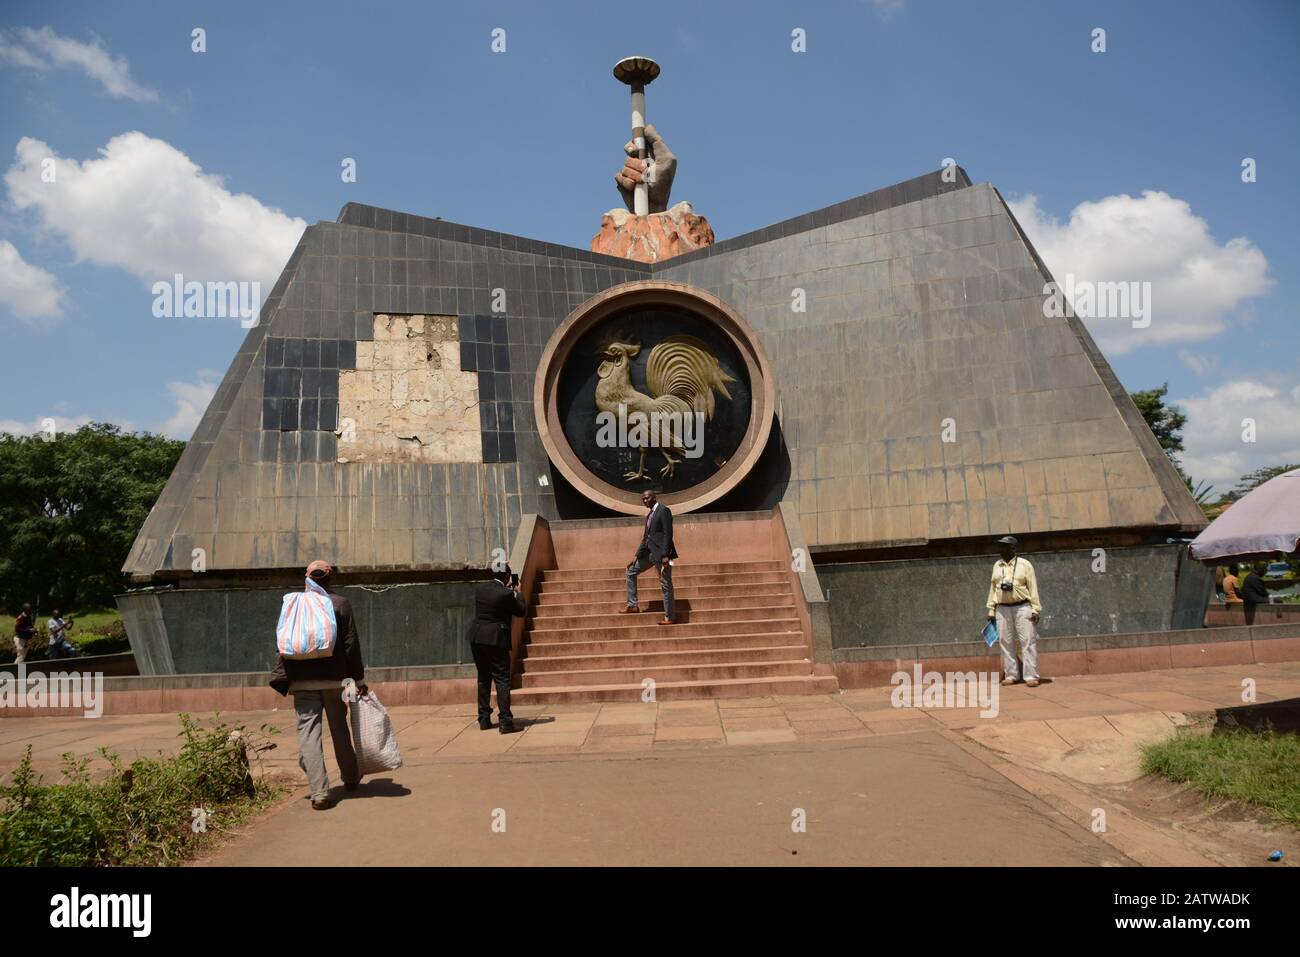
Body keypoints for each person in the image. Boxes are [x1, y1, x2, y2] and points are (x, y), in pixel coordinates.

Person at [269, 560, 365, 811]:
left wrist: (284, 676)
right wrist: (358, 678)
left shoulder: (292, 603)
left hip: (301, 680)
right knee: (339, 730)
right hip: (335, 679)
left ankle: (320, 791)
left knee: (308, 736)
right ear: (330, 578)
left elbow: (282, 639)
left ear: (307, 577)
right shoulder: (340, 604)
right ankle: (351, 778)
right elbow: (350, 645)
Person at [467, 564, 526, 734]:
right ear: (507, 576)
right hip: (495, 639)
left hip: (477, 637)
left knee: (483, 677)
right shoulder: (506, 594)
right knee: (501, 679)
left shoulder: (480, 590)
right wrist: (519, 593)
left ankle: (484, 719)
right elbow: (520, 611)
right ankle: (505, 721)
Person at [986, 535, 1042, 688]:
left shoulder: (1025, 565)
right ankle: (1011, 675)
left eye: (1004, 546)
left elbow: (1033, 587)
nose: (1000, 549)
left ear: (1013, 548)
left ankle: (1031, 676)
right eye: (1000, 546)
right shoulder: (997, 565)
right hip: (1002, 608)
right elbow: (993, 588)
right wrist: (991, 609)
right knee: (1005, 642)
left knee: (1028, 641)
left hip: (1023, 607)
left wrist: (1036, 609)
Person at [621, 489, 678, 625]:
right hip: (649, 554)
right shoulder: (649, 516)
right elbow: (646, 538)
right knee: (630, 571)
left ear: (654, 497)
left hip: (663, 555)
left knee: (665, 584)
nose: (645, 501)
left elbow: (668, 534)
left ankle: (669, 617)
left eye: (647, 498)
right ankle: (633, 605)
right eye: (643, 499)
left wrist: (665, 555)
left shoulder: (664, 510)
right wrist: (636, 556)